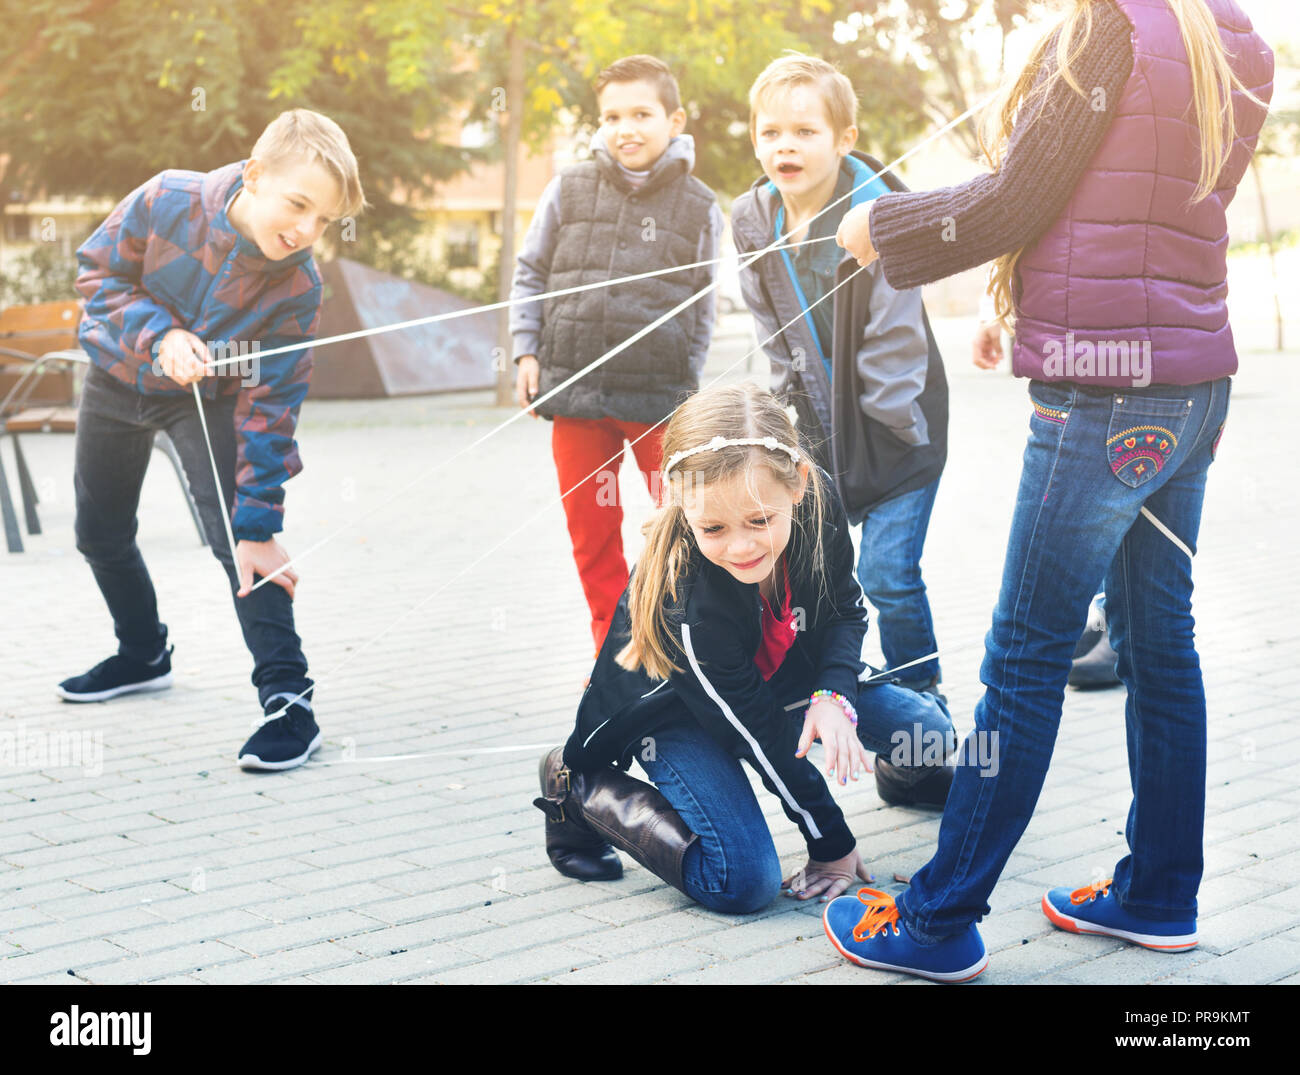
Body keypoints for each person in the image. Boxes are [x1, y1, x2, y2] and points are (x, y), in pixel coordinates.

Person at [822, 0, 1272, 981]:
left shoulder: (1105, 26)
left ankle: (935, 919)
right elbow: (1126, 208)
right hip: (1188, 384)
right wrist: (1022, 307)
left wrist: (876, 223)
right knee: (1159, 639)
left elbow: (1014, 199)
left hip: (1101, 397)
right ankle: (1157, 894)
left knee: (1024, 654)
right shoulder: (1236, 34)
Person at [532, 383, 958, 914]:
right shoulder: (687, 602)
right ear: (677, 500)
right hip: (677, 716)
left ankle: (901, 782)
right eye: (713, 527)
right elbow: (761, 738)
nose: (741, 545)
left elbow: (847, 611)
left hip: (778, 675)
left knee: (932, 736)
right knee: (744, 883)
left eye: (759, 520)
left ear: (798, 484)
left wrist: (832, 695)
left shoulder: (817, 501)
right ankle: (575, 791)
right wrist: (833, 845)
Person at [59, 109, 366, 772]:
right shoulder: (167, 200)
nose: (307, 230)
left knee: (241, 544)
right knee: (98, 533)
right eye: (298, 204)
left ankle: (289, 698)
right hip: (116, 380)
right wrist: (162, 336)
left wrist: (260, 518)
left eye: (324, 219)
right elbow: (97, 278)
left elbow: (273, 406)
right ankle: (142, 654)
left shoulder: (298, 285)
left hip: (208, 403)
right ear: (255, 175)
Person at [729, 55, 951, 811]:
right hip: (815, 436)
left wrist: (883, 431)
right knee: (836, 577)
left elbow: (895, 333)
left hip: (896, 428)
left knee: (891, 571)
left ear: (845, 136)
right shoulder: (752, 216)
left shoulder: (880, 206)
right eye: (770, 131)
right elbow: (771, 324)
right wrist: (785, 422)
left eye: (805, 130)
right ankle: (858, 704)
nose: (784, 145)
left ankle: (928, 709)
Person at [510, 55, 724, 655]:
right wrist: (527, 353)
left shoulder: (700, 203)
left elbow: (704, 303)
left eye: (641, 114)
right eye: (611, 116)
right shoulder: (568, 186)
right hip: (575, 392)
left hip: (659, 396)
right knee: (591, 535)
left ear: (674, 119)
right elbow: (530, 272)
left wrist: (688, 383)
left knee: (687, 522)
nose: (625, 128)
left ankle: (682, 644)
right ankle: (612, 656)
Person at [973, 274, 1122, 688]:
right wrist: (994, 311)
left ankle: (1114, 623)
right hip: (1092, 365)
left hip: (1112, 372)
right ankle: (1104, 617)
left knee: (1028, 634)